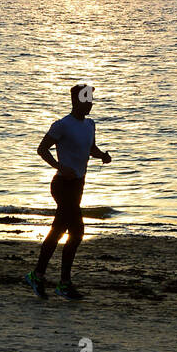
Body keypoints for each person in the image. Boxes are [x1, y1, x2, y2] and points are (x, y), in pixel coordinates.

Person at [24, 82, 111, 300]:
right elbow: (42, 149)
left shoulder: (90, 125)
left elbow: (90, 148)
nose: (89, 104)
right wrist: (58, 165)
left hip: (78, 186)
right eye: (86, 99)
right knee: (77, 231)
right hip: (62, 186)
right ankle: (62, 282)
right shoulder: (62, 125)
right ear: (75, 101)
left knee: (59, 232)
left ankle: (39, 275)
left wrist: (103, 156)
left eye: (91, 99)